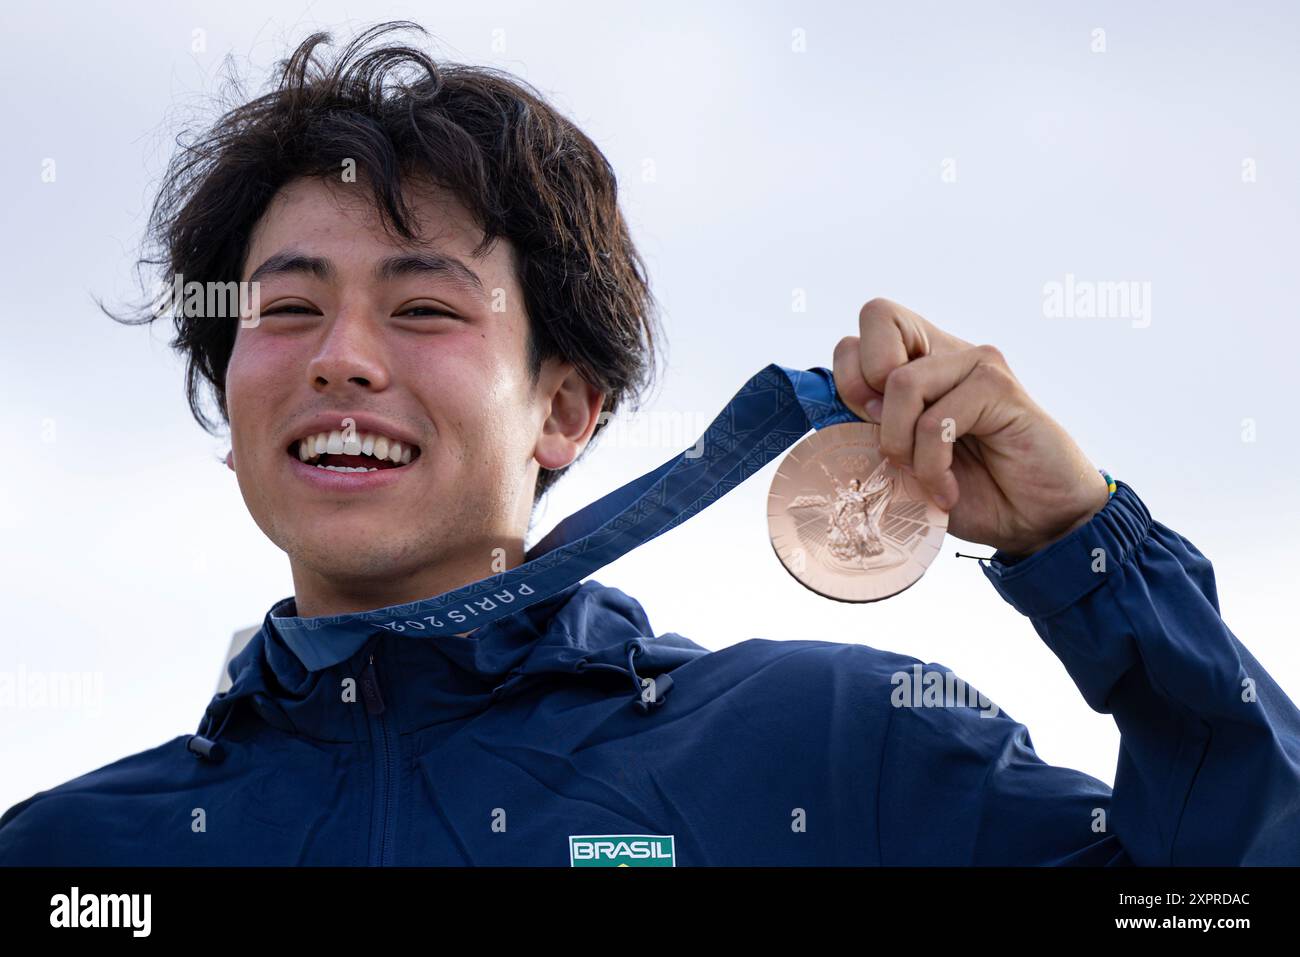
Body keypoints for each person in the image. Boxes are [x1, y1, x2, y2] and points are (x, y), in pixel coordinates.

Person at [2, 21, 1297, 866]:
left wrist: (1095, 556)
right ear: (230, 404)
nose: (342, 353)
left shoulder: (828, 751)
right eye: (288, 309)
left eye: (424, 306)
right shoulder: (79, 856)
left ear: (566, 409)